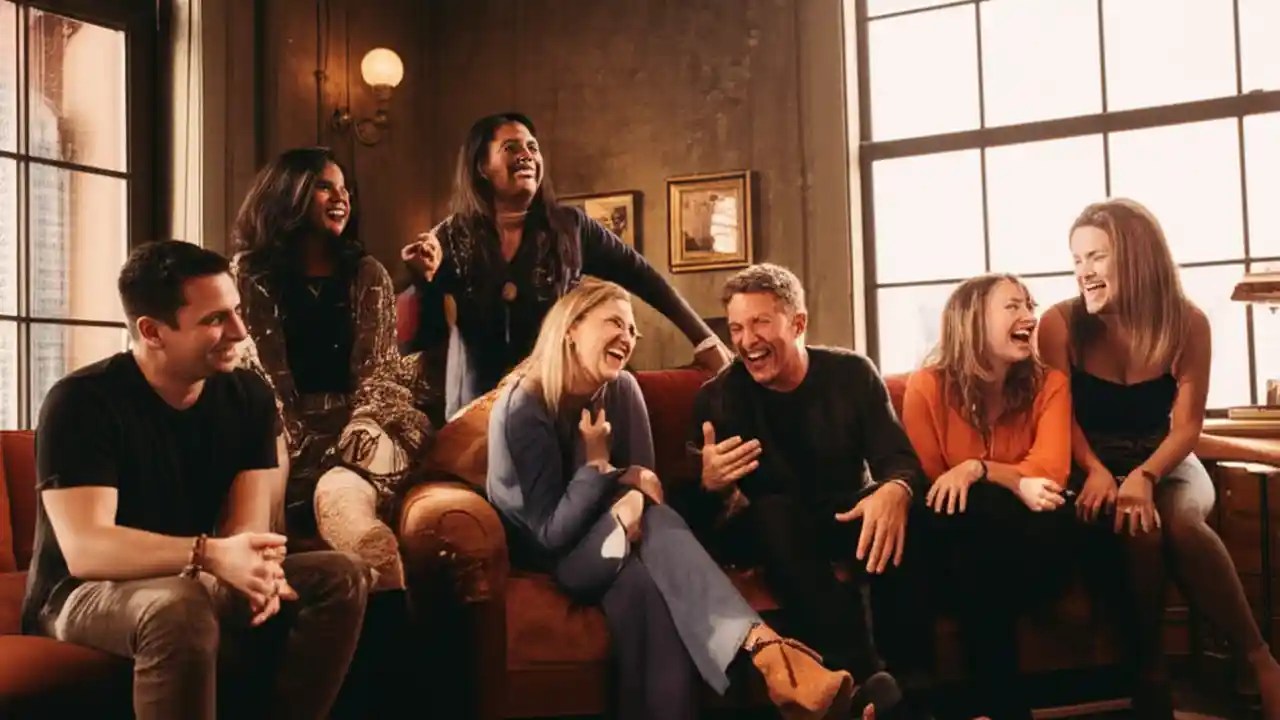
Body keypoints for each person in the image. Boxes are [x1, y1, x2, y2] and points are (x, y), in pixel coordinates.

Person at [19, 240, 369, 720]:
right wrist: (207, 555)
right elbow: (88, 550)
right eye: (214, 320)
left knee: (340, 576)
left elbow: (245, 537)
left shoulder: (247, 396)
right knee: (177, 607)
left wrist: (253, 572)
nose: (240, 332)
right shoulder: (80, 402)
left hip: (197, 576)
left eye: (237, 311)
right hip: (80, 593)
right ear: (152, 331)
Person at [486, 278, 860, 720]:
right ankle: (773, 657)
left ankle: (770, 659)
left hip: (624, 541)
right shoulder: (524, 407)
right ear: (571, 327)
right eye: (614, 324)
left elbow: (650, 493)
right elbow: (549, 535)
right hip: (560, 559)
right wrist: (601, 469)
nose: (626, 339)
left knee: (652, 595)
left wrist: (630, 494)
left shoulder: (623, 391)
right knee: (657, 531)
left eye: (632, 331)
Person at [1038, 197, 1280, 717]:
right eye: (1077, 259)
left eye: (1096, 257)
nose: (1084, 272)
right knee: (1138, 526)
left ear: (1136, 256)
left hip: (1166, 459)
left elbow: (1188, 427)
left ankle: (1261, 661)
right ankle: (1151, 669)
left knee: (1185, 525)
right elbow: (1060, 420)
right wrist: (1100, 471)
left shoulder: (1189, 323)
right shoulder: (1059, 324)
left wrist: (1146, 473)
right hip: (1092, 463)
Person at [689, 263, 927, 717]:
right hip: (766, 528)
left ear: (798, 323)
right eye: (736, 327)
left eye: (760, 322)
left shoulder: (853, 374)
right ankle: (868, 684)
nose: (746, 340)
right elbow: (696, 524)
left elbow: (898, 460)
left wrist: (894, 489)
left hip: (839, 515)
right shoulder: (718, 398)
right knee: (774, 513)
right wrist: (710, 485)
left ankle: (911, 685)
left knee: (904, 510)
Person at [401, 112, 731, 421]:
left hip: (555, 406)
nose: (527, 155)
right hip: (476, 416)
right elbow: (427, 338)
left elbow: (645, 278)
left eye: (533, 147)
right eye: (511, 147)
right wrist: (423, 279)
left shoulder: (571, 228)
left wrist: (705, 340)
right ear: (482, 167)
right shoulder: (450, 235)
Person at [232, 147, 431, 591]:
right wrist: (302, 444)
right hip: (282, 427)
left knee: (357, 468)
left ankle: (373, 560)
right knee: (267, 452)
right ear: (289, 193)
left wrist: (354, 436)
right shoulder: (250, 276)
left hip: (356, 424)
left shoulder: (368, 273)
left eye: (345, 190)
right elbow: (266, 378)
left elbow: (378, 375)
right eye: (325, 186)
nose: (340, 198)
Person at [901, 273, 1073, 719]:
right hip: (964, 545)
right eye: (1013, 306)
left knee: (984, 508)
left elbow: (1051, 471)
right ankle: (1001, 705)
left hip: (1036, 541)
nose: (1029, 317)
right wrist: (1012, 481)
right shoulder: (926, 386)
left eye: (1029, 305)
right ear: (972, 321)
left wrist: (978, 469)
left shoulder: (1050, 384)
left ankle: (952, 705)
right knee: (974, 518)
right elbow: (937, 494)